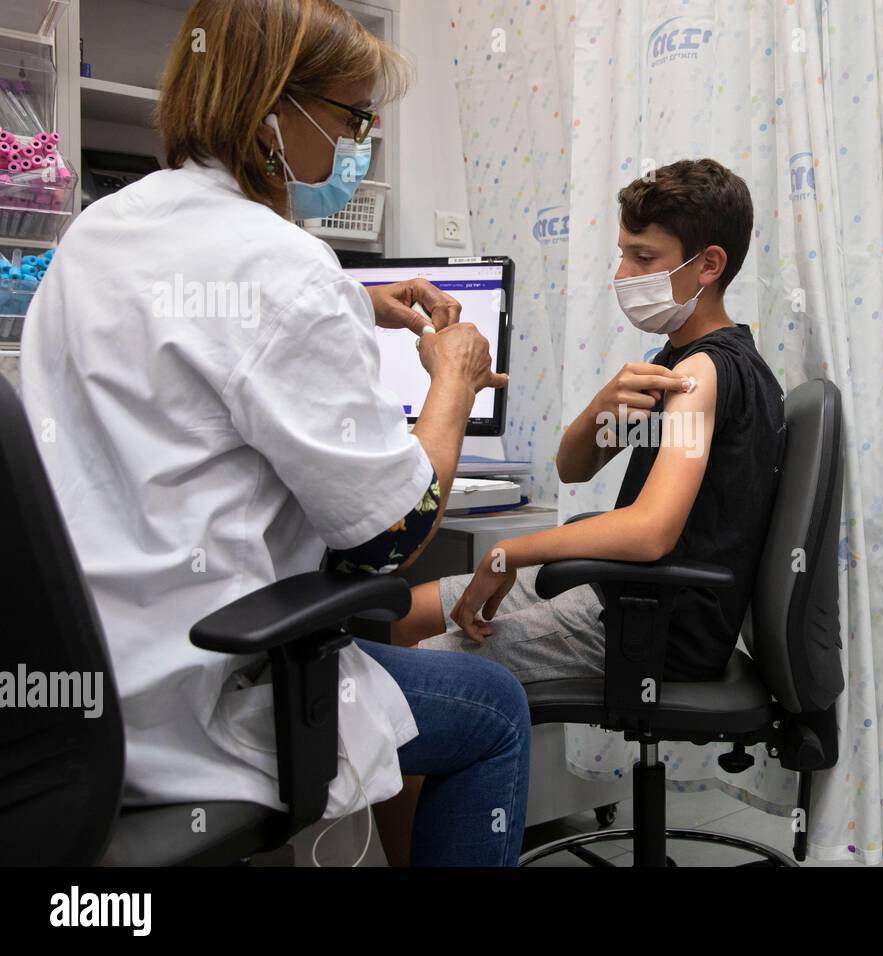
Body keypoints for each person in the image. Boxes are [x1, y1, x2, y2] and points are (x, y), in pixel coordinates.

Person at [20, 0, 529, 866]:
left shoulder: (99, 229)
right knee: (493, 711)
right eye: (353, 115)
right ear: (273, 109)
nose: (360, 139)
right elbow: (390, 537)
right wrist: (452, 380)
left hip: (77, 693)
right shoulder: (282, 262)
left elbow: (193, 338)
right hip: (200, 699)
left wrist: (349, 302)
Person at [386, 159, 784, 688]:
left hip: (655, 623)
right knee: (404, 616)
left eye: (643, 258)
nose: (622, 276)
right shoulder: (672, 363)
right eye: (623, 254)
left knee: (413, 679)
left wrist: (509, 553)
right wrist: (601, 406)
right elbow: (573, 468)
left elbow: (649, 533)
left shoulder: (702, 374)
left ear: (709, 264)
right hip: (621, 589)